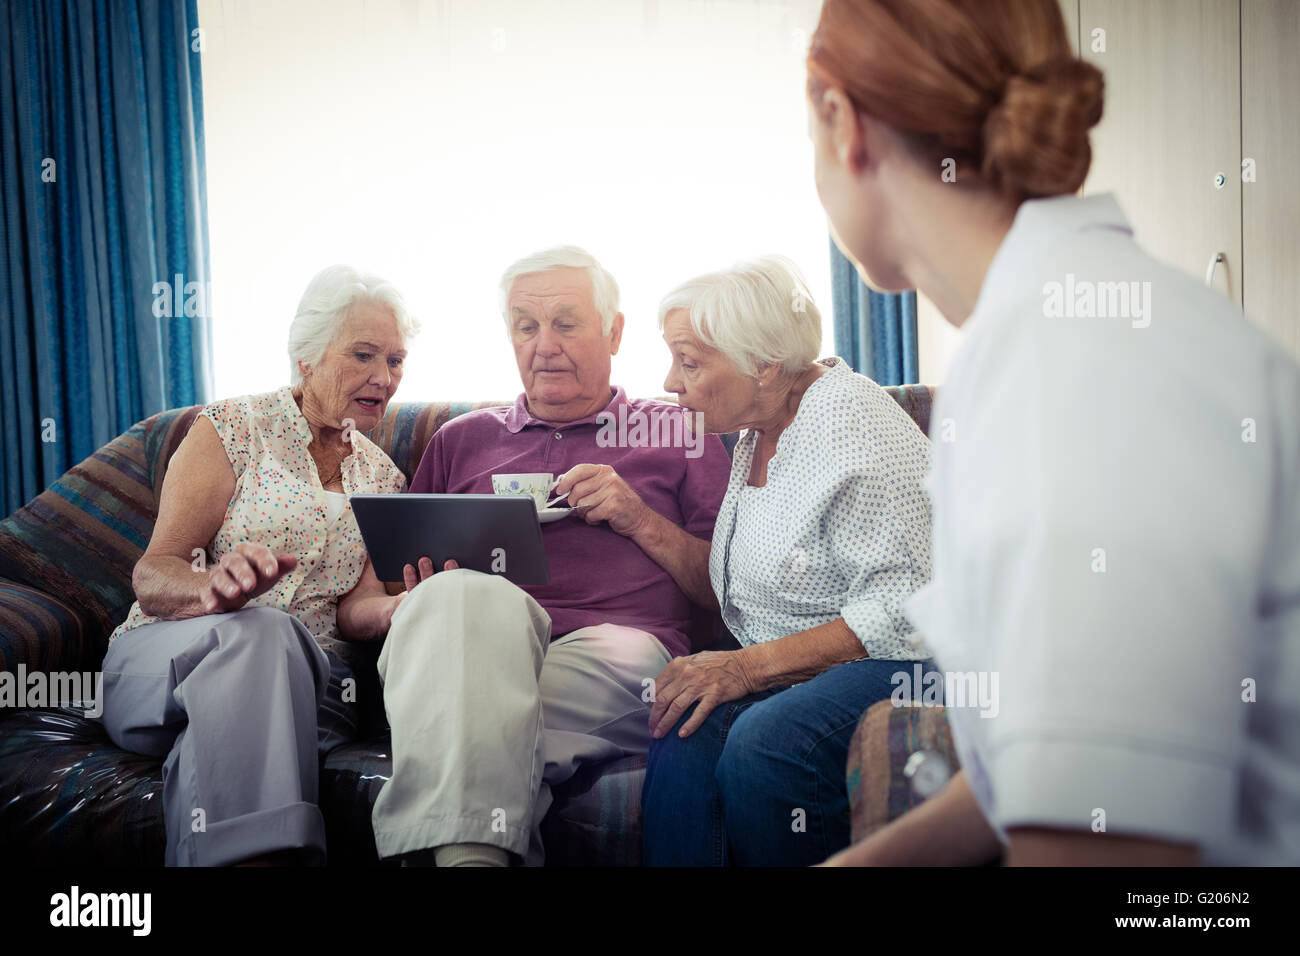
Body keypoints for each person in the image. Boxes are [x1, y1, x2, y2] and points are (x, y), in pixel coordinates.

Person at [805, 0, 1300, 866]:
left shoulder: (1069, 363)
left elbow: (1105, 853)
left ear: (842, 122)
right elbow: (1035, 781)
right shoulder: (1049, 334)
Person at [339, 245, 733, 866]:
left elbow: (726, 592)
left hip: (618, 654)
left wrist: (638, 519)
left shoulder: (677, 431)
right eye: (526, 326)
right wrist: (412, 606)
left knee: (462, 711)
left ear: (615, 332)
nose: (544, 344)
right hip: (466, 649)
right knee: (464, 604)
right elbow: (358, 607)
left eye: (566, 323)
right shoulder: (461, 441)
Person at [101, 264, 417, 865]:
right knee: (265, 632)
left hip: (305, 699)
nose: (384, 377)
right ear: (307, 355)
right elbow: (154, 571)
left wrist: (401, 608)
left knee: (259, 677)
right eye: (363, 355)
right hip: (169, 665)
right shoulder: (233, 429)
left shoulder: (383, 479)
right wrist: (211, 592)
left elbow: (355, 609)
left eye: (396, 361)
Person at [640, 254, 936, 865]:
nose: (670, 382)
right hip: (812, 670)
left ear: (766, 366)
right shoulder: (759, 427)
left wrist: (747, 670)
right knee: (683, 728)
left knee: (768, 739)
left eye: (689, 362)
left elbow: (906, 609)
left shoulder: (852, 421)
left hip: (914, 659)